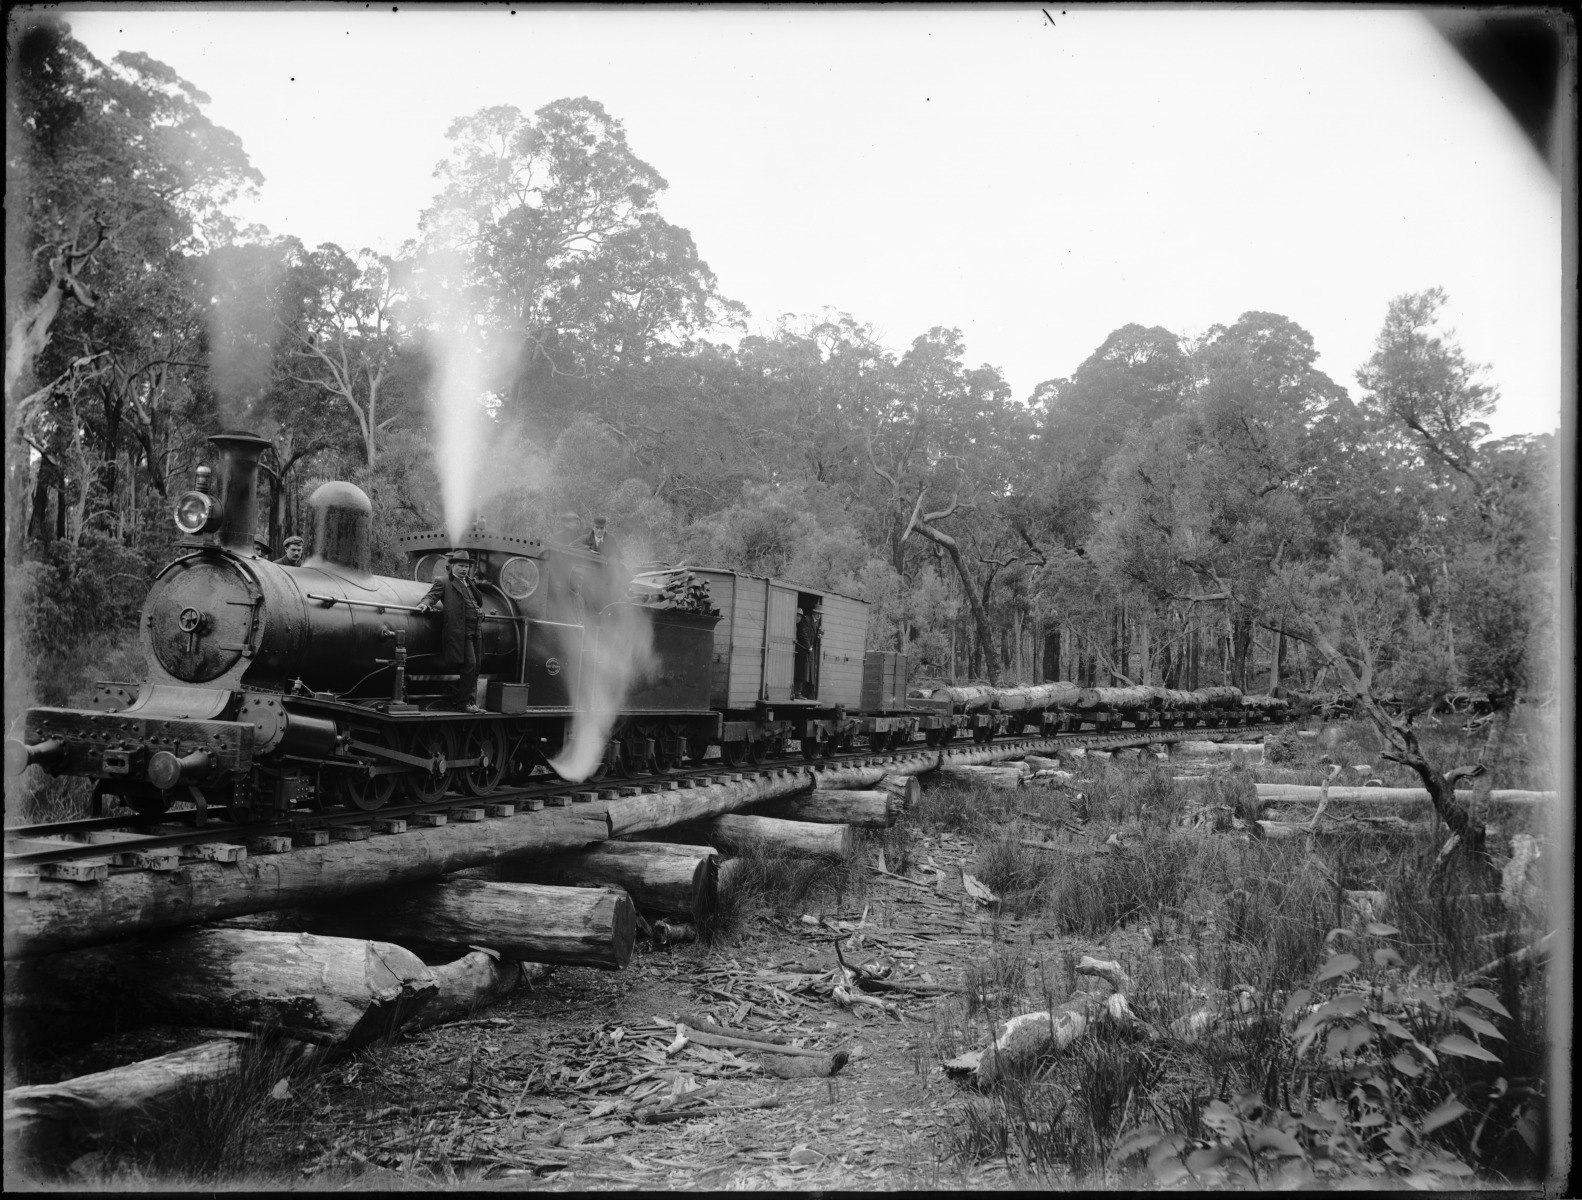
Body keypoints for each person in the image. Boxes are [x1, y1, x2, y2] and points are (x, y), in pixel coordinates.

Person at [417, 550, 486, 713]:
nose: (464, 569)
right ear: (452, 566)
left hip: (476, 629)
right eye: (461, 566)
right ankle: (463, 704)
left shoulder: (469, 583)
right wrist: (425, 604)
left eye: (467, 567)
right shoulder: (443, 582)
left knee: (477, 667)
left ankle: (471, 702)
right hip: (460, 631)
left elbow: (479, 602)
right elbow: (432, 596)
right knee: (470, 665)